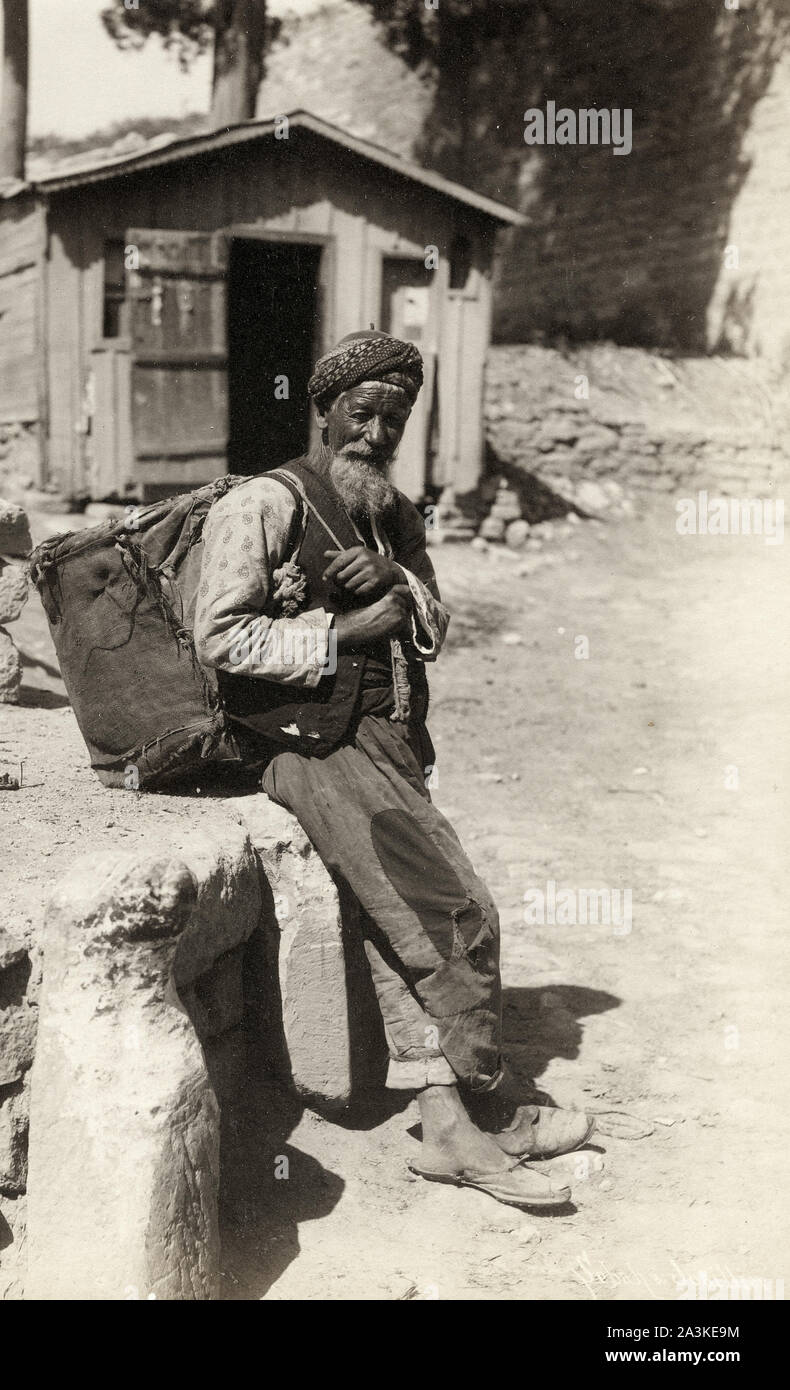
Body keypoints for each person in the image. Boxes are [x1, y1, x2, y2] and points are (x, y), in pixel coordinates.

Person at [194, 330, 593, 1209]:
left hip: (390, 746)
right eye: (361, 413)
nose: (375, 434)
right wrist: (340, 633)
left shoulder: (395, 514)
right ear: (324, 409)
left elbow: (437, 625)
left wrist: (397, 584)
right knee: (456, 916)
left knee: (394, 921)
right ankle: (490, 1095)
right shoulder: (267, 504)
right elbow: (217, 638)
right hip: (312, 747)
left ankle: (450, 1129)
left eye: (394, 420)